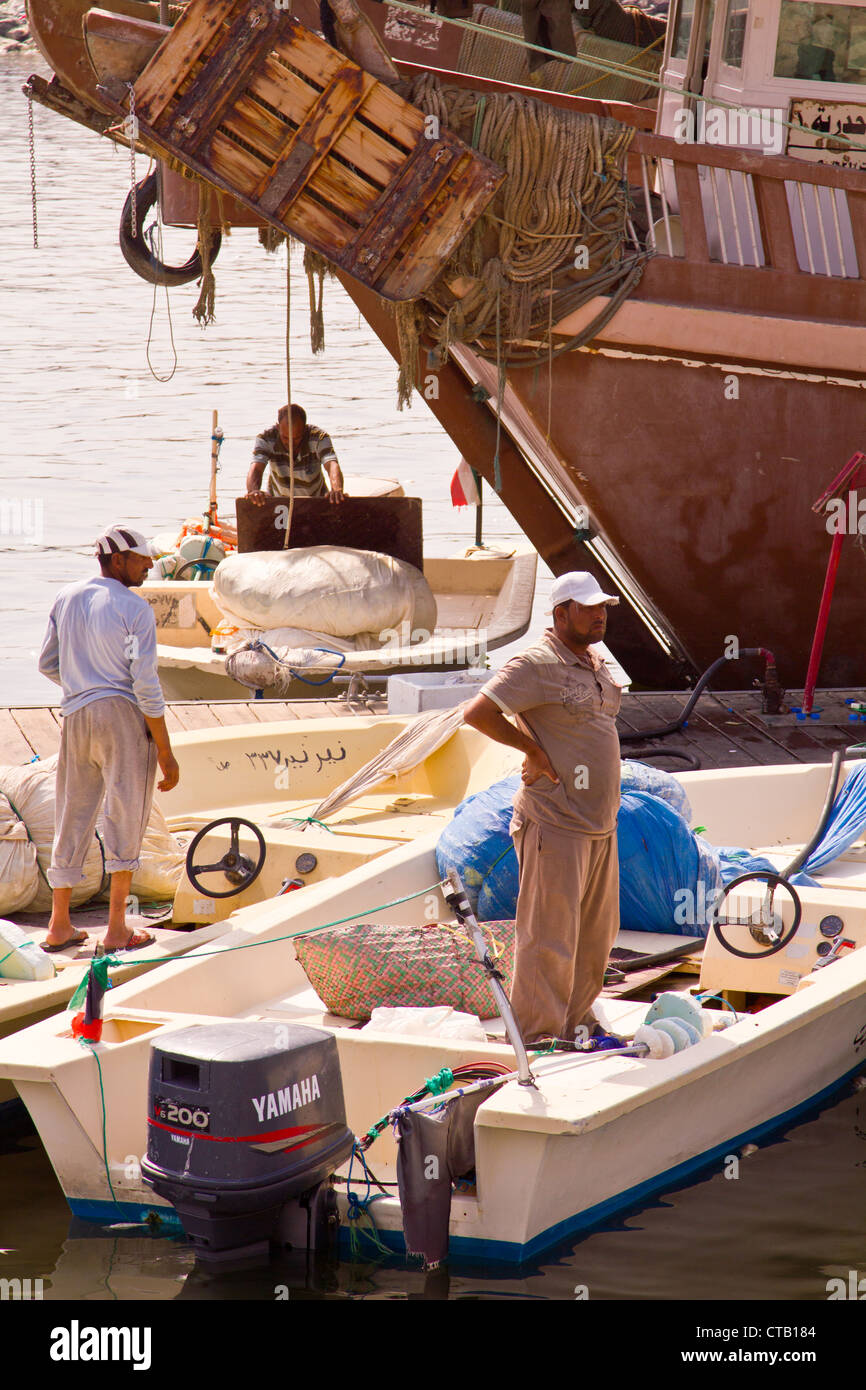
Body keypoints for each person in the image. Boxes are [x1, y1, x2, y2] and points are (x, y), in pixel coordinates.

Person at [462, 572, 623, 1047]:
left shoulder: (594, 660)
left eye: (604, 607)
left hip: (600, 823)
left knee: (595, 938)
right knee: (548, 940)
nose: (600, 615)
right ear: (560, 613)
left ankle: (576, 1026)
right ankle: (537, 1039)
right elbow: (478, 713)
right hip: (556, 822)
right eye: (590, 607)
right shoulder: (534, 663)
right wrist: (531, 751)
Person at [37, 524, 180, 955]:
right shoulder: (133, 609)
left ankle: (59, 925)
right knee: (125, 815)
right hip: (122, 718)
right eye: (142, 558)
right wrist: (168, 754)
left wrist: (83, 685)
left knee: (72, 814)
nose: (150, 565)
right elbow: (146, 685)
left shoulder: (67, 597)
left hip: (77, 714)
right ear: (117, 560)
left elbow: (47, 663)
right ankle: (117, 929)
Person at [246, 403, 345, 506]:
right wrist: (253, 491)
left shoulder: (319, 437)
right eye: (285, 438)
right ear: (278, 427)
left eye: (296, 438)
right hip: (278, 503)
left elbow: (331, 464)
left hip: (316, 501)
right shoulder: (265, 438)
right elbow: (256, 468)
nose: (291, 444)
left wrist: (336, 489)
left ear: (305, 429)